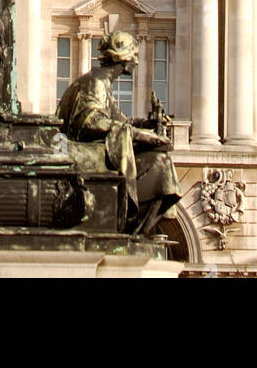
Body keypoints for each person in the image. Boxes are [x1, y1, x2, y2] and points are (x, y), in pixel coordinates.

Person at [57, 30, 181, 235]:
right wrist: (140, 136)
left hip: (87, 148)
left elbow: (119, 120)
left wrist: (148, 124)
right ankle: (131, 228)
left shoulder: (102, 83)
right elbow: (89, 123)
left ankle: (134, 229)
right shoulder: (95, 83)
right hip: (75, 150)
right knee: (160, 164)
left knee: (160, 160)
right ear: (122, 58)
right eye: (134, 55)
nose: (137, 61)